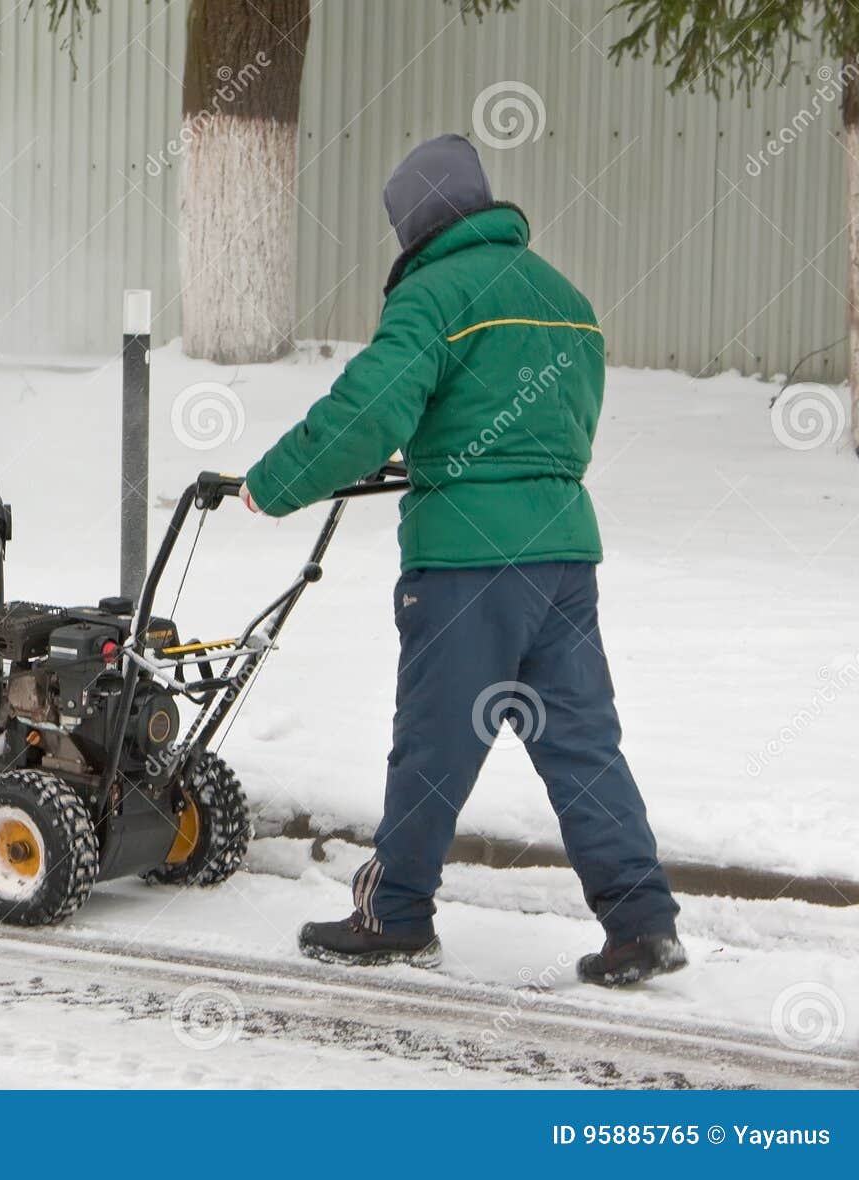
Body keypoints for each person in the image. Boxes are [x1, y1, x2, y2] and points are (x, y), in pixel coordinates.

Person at [240, 133, 685, 987]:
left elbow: (367, 411)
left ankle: (396, 915)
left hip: (466, 569)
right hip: (562, 559)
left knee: (435, 746)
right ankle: (642, 924)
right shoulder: (566, 298)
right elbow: (549, 429)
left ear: (416, 227)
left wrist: (273, 483)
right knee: (584, 745)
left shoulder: (434, 296)